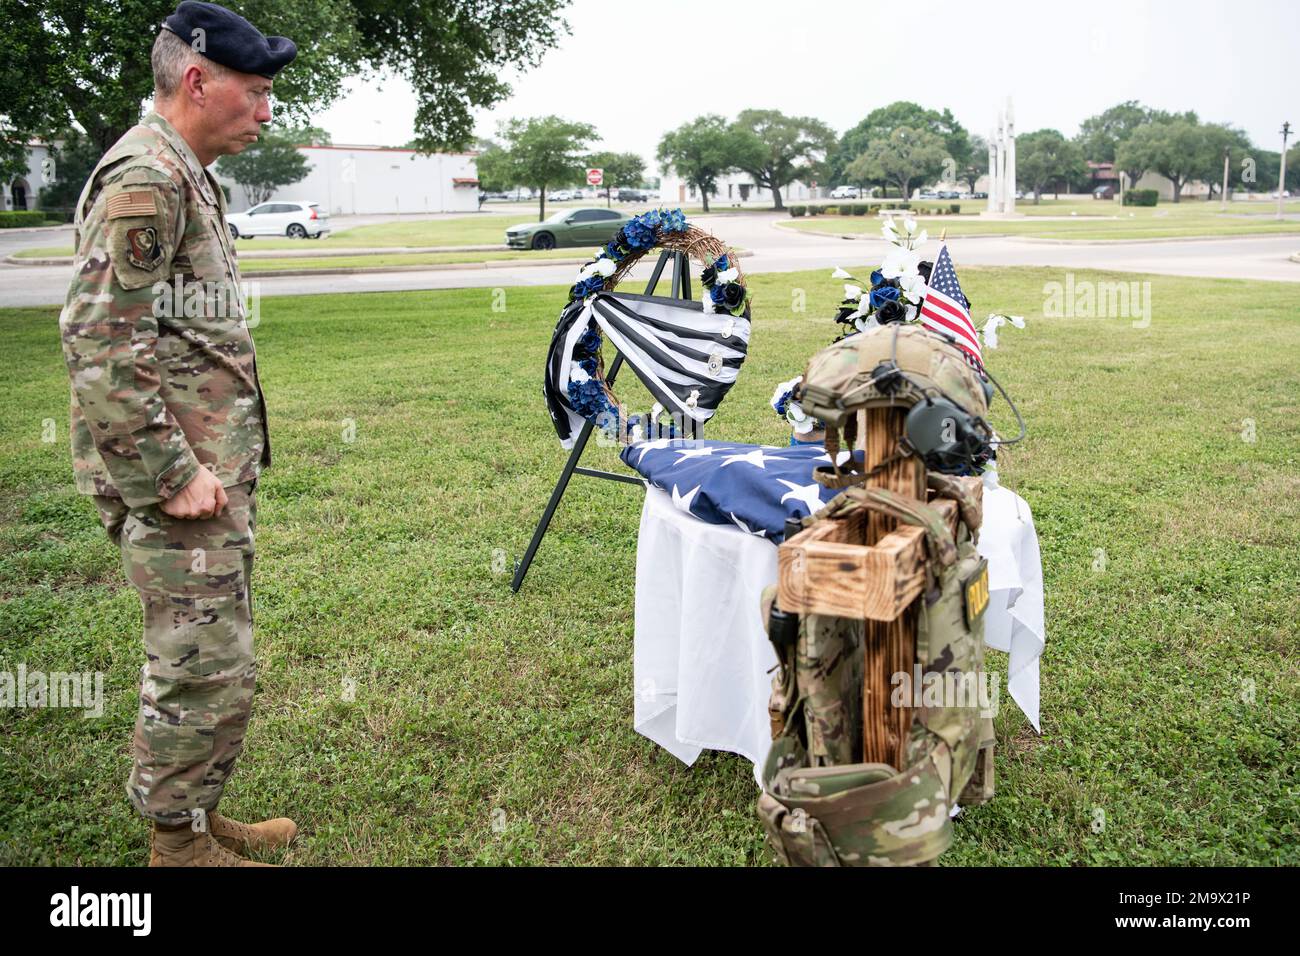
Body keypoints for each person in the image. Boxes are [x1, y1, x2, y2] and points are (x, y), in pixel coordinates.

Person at [59, 1, 298, 867]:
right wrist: (168, 474)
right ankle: (177, 850)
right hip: (179, 478)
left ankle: (196, 818)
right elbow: (97, 338)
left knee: (216, 654)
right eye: (258, 92)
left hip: (207, 467)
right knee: (198, 662)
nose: (268, 113)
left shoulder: (183, 169)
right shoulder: (148, 178)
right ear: (198, 80)